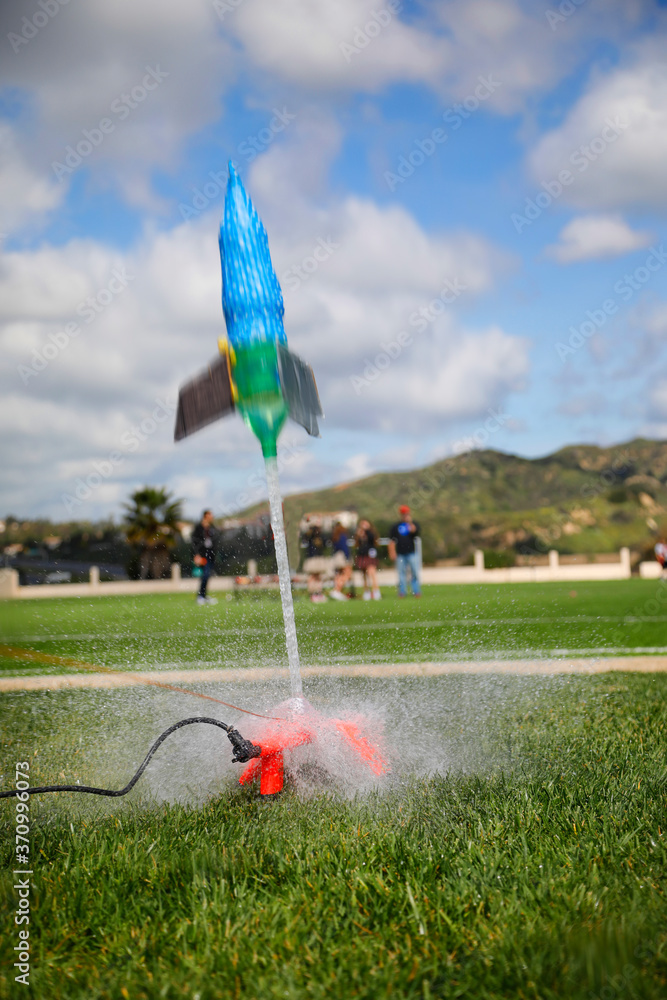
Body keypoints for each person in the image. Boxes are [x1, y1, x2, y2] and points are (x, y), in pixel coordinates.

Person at [389, 504, 421, 597]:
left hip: (412, 553)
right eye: (403, 514)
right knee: (401, 573)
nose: (405, 515)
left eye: (406, 513)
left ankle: (416, 591)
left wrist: (409, 522)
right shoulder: (395, 526)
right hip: (400, 554)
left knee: (414, 572)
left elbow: (414, 531)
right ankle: (402, 592)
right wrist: (392, 552)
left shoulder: (413, 524)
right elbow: (392, 541)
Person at [191, 509, 219, 605]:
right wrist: (196, 554)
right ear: (205, 516)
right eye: (210, 515)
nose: (212, 517)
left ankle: (203, 595)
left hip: (211, 555)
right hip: (203, 555)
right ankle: (201, 596)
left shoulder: (212, 527)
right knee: (205, 574)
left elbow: (215, 539)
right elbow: (194, 542)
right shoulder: (199, 527)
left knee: (207, 575)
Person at [354, 519, 381, 600]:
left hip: (370, 555)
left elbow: (373, 539)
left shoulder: (371, 533)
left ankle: (376, 591)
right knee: (364, 574)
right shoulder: (359, 534)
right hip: (362, 555)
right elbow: (357, 544)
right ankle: (366, 591)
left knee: (372, 572)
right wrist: (359, 535)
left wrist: (367, 531)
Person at [304, 524, 329, 603]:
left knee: (317, 576)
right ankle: (313, 593)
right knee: (313, 576)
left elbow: (325, 543)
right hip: (313, 559)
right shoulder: (310, 537)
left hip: (317, 558)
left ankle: (317, 592)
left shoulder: (320, 537)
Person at [330, 522, 352, 600]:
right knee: (347, 573)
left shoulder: (334, 535)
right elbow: (344, 547)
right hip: (342, 556)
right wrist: (347, 557)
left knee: (339, 574)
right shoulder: (342, 535)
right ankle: (337, 590)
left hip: (336, 556)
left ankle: (337, 590)